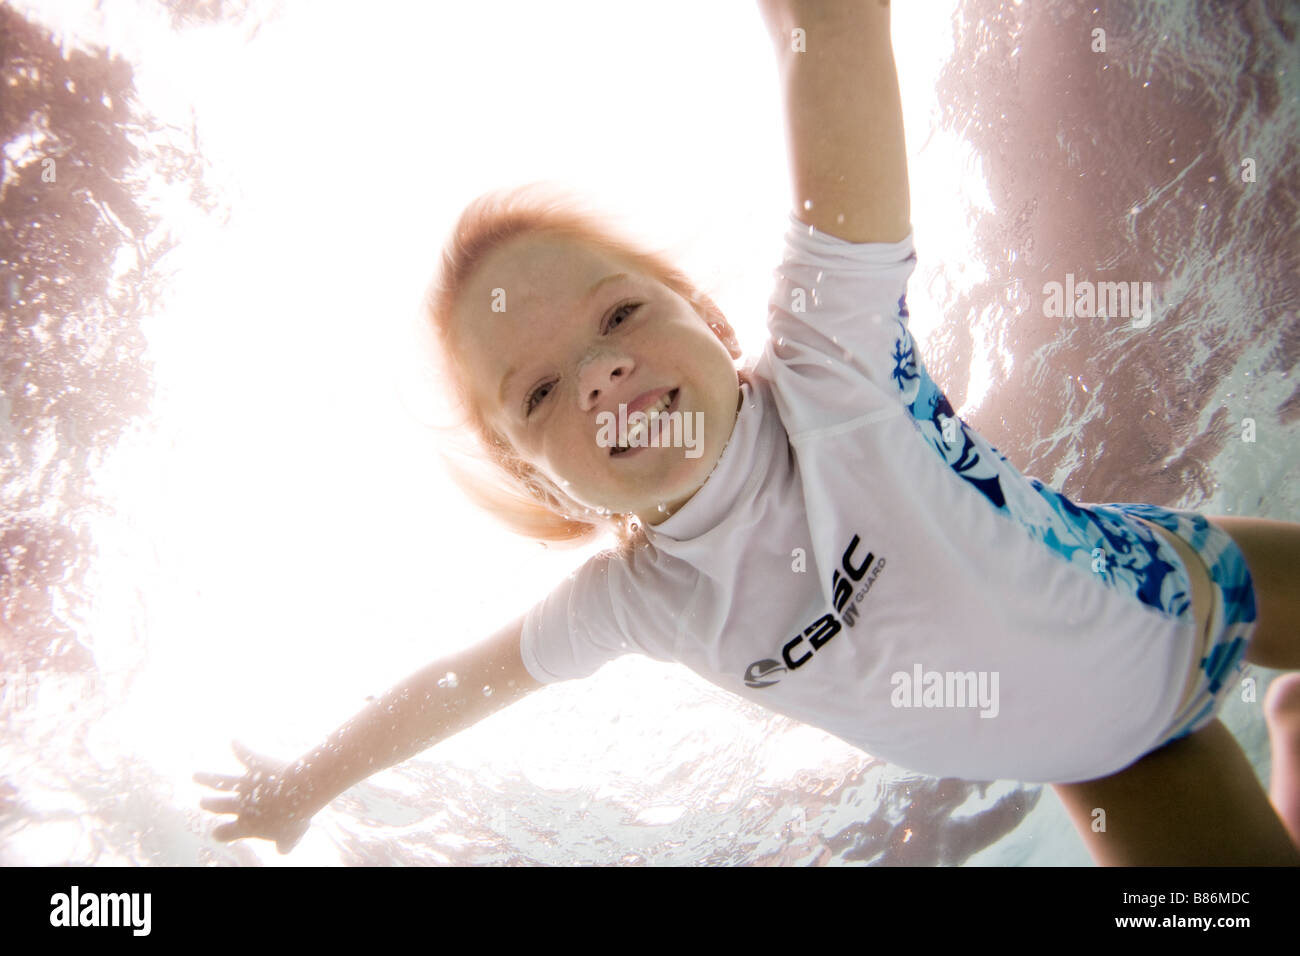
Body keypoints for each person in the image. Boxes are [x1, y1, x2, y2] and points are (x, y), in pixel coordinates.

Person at [195, 0, 1300, 865]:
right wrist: (304, 787)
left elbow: (835, 31)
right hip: (1110, 761)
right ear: (550, 488)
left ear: (714, 322)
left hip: (1175, 588)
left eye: (620, 314)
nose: (600, 372)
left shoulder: (829, 361)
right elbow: (448, 687)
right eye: (536, 396)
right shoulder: (638, 600)